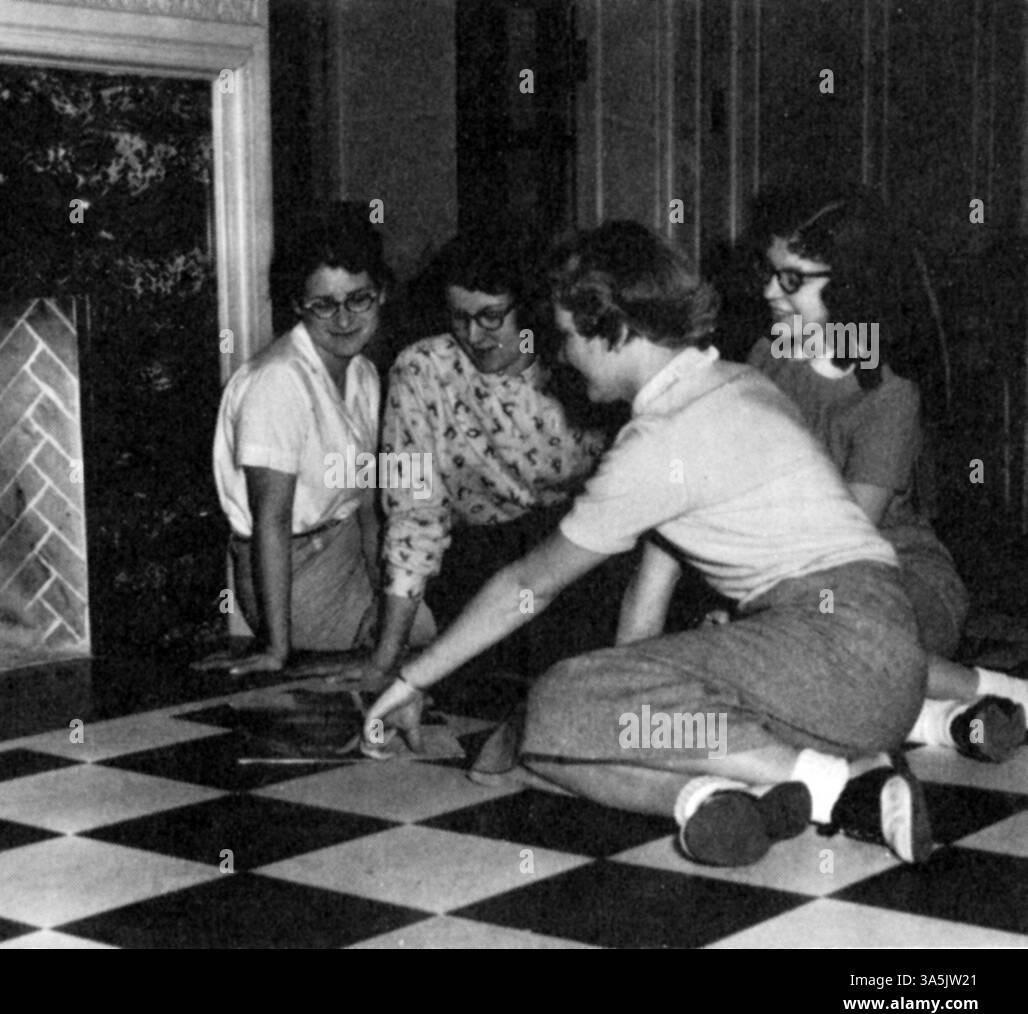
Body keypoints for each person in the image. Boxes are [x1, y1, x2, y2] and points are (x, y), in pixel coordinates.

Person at [362, 221, 935, 868]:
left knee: (554, 700)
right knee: (549, 742)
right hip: (881, 659)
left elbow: (529, 586)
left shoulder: (658, 441)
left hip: (836, 653)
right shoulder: (738, 385)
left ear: (613, 331)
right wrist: (608, 704)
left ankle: (842, 788)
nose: (563, 358)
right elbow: (646, 602)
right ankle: (715, 798)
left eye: (569, 338)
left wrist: (410, 679)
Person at [744, 184, 1027, 762]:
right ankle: (942, 722)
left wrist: (758, 601)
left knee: (827, 645)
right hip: (790, 579)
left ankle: (1008, 692)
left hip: (894, 576)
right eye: (771, 273)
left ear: (852, 284)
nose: (770, 291)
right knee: (790, 662)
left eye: (793, 279)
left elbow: (842, 541)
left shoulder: (887, 393)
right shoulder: (766, 357)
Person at [302, 225, 612, 691]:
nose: (474, 336)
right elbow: (415, 515)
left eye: (491, 317)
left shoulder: (578, 364)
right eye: (459, 317)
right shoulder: (422, 370)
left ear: (527, 308)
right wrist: (386, 659)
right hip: (475, 563)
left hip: (578, 558)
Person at [203, 206, 431, 675]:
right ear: (297, 306)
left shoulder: (365, 374)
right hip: (295, 569)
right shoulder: (278, 382)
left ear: (381, 294)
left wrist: (384, 598)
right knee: (429, 643)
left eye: (360, 299)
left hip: (344, 545)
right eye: (324, 305)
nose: (345, 319)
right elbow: (271, 519)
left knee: (438, 619)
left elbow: (367, 508)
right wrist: (276, 649)